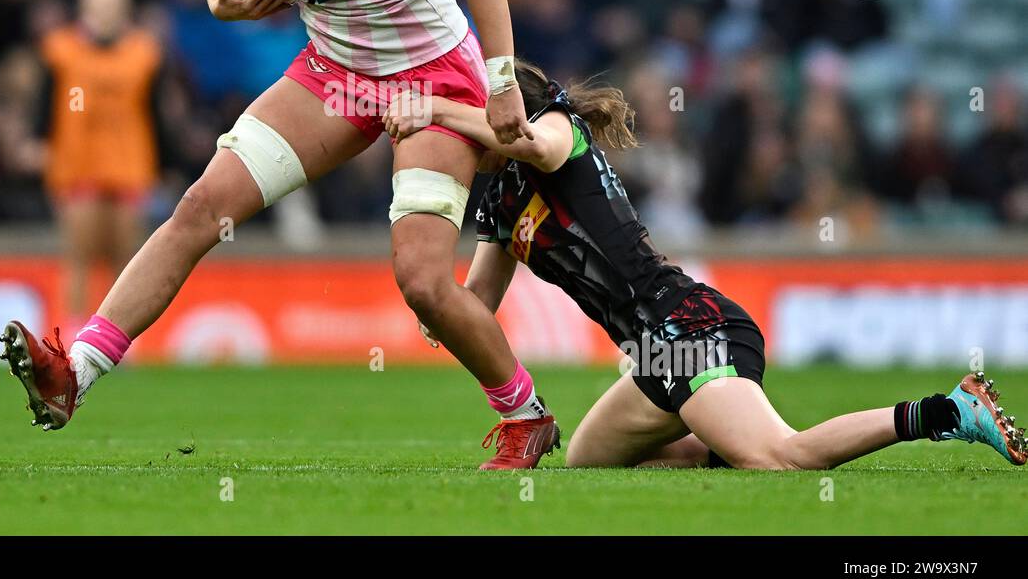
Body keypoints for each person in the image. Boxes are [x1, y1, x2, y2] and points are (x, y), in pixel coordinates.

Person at [2, 0, 559, 469]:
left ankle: (525, 414)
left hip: (431, 78)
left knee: (421, 281)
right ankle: (72, 375)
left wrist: (501, 82)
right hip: (333, 74)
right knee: (201, 206)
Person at [382, 59, 1027, 470]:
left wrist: (434, 108)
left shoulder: (555, 133)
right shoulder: (499, 197)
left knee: (781, 458)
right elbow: (478, 302)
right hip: (651, 356)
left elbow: (524, 137)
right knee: (587, 463)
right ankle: (718, 446)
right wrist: (436, 305)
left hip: (691, 330)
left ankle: (948, 411)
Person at [33, 0, 164, 319]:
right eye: (99, 4)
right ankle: (74, 335)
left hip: (129, 162)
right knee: (79, 254)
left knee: (125, 257)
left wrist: (167, 165)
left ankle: (116, 336)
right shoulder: (61, 50)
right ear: (84, 7)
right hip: (77, 162)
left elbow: (155, 113)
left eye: (113, 4)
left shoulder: (144, 54)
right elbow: (46, 105)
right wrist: (38, 143)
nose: (106, 11)